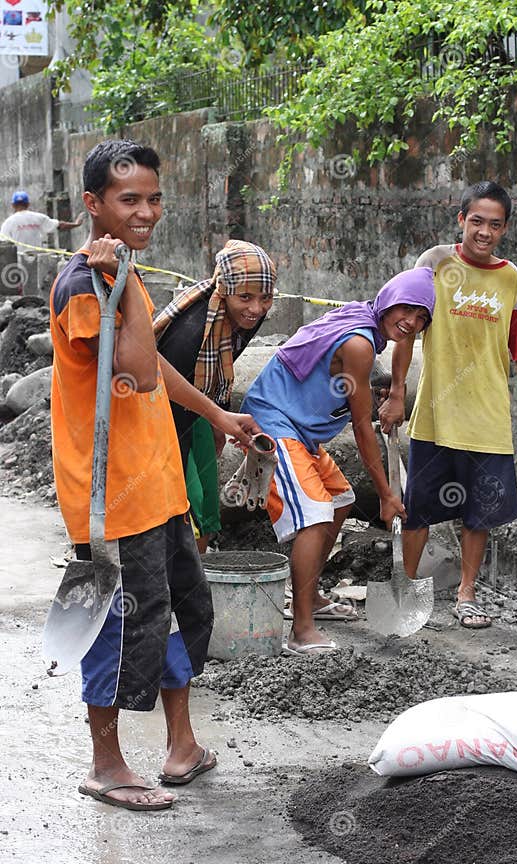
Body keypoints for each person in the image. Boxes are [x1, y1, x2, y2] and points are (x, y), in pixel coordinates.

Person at [50, 138, 260, 812]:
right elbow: (136, 368)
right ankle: (106, 764)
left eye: (152, 198)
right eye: (128, 199)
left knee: (180, 614)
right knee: (120, 625)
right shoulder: (85, 285)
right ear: (93, 204)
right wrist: (111, 280)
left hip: (157, 484)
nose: (145, 211)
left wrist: (217, 417)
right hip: (112, 498)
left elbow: (157, 377)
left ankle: (182, 746)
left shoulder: (123, 273)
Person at [241, 268, 435, 654]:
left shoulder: (364, 318)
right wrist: (385, 494)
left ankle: (310, 598)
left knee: (340, 501)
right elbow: (364, 429)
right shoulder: (361, 345)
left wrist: (395, 390)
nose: (410, 321)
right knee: (314, 513)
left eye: (421, 317)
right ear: (388, 300)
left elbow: (393, 352)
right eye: (406, 309)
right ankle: (301, 629)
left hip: (301, 430)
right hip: (274, 423)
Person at [379, 181, 517, 629]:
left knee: (480, 514)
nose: (484, 232)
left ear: (505, 228)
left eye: (494, 224)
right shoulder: (434, 263)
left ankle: (466, 595)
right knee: (418, 508)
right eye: (476, 221)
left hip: (488, 417)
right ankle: (405, 593)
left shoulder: (511, 278)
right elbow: (407, 333)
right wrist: (396, 394)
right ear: (461, 220)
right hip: (435, 414)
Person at [154, 239, 276, 552]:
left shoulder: (243, 317)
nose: (256, 308)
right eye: (246, 297)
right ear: (223, 291)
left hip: (197, 408)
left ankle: (195, 575)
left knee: (206, 502)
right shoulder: (191, 332)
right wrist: (215, 418)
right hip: (160, 417)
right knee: (181, 502)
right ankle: (175, 582)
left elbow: (222, 366)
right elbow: (166, 391)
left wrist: (218, 420)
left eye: (265, 297)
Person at [1, 190, 85, 247]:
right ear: (28, 204)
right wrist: (76, 224)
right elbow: (59, 225)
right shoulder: (38, 218)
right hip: (37, 259)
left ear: (13, 205)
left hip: (17, 261)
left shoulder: (8, 222)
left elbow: (3, 243)